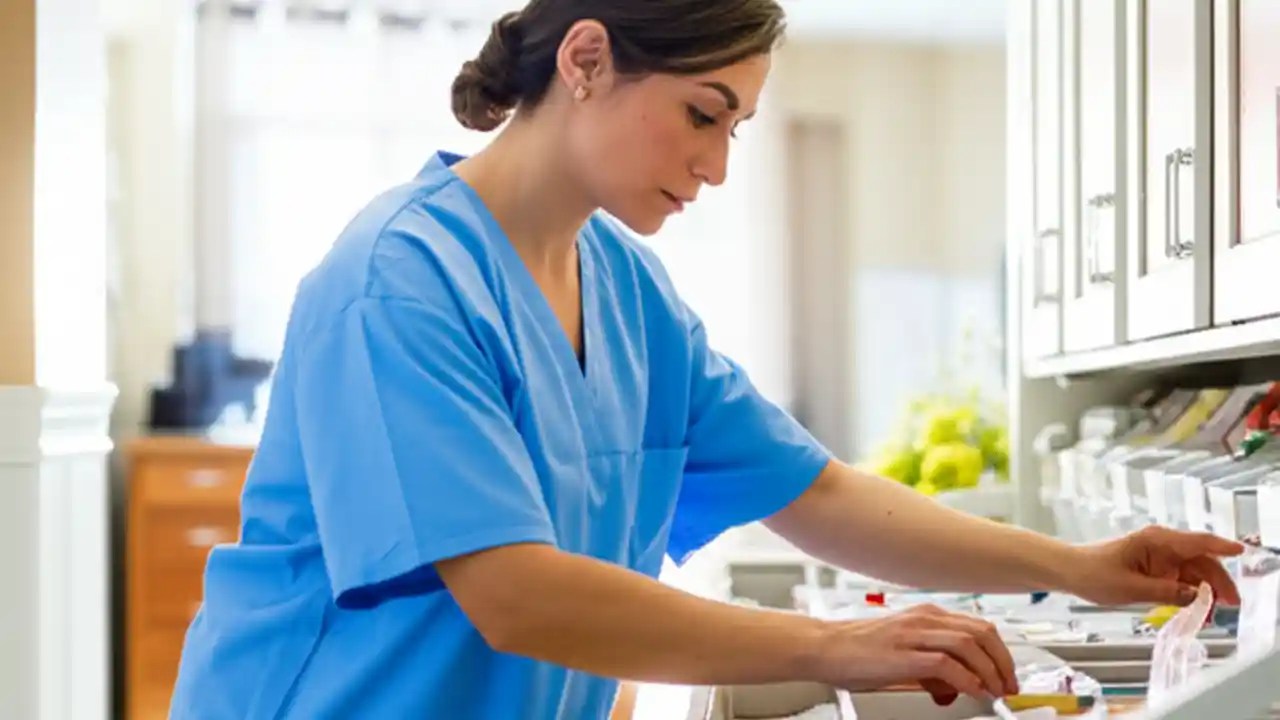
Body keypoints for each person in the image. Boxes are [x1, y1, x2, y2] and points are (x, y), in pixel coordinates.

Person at [169, 1, 1245, 718]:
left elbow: (812, 491)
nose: (717, 167)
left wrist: (1075, 569)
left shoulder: (626, 291)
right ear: (584, 60)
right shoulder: (396, 284)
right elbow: (514, 595)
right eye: (702, 115)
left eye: (736, 126)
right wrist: (827, 648)